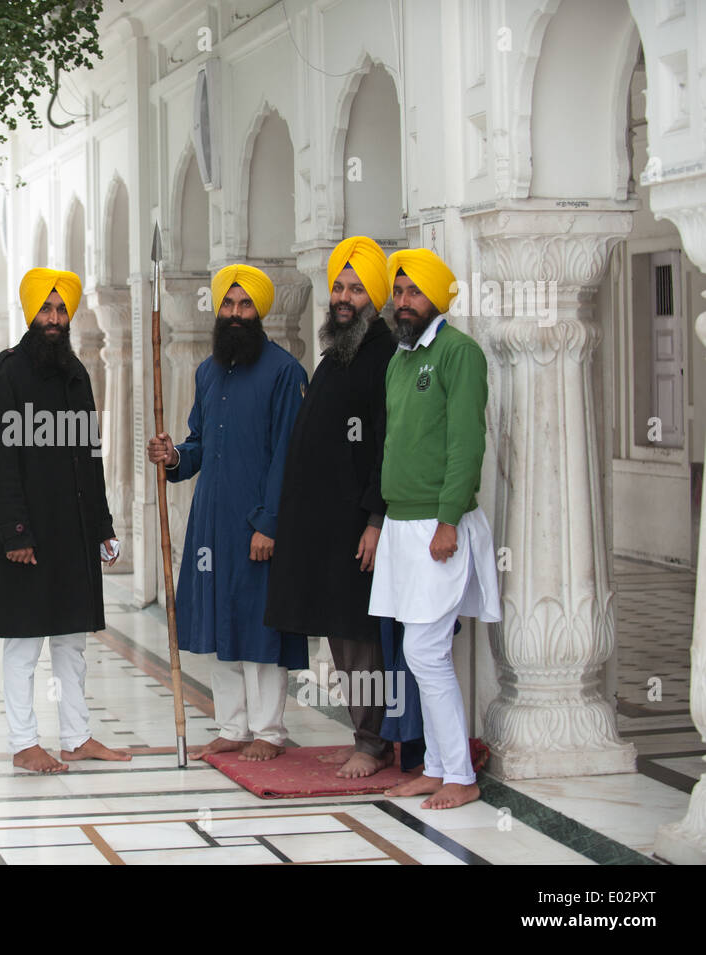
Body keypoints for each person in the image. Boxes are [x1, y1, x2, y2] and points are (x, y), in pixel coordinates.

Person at [265, 236, 423, 778]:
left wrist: (376, 519)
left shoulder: (385, 358)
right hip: (325, 526)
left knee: (360, 637)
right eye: (338, 286)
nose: (343, 296)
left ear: (374, 298)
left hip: (359, 524)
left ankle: (372, 741)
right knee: (339, 630)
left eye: (356, 288)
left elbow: (388, 443)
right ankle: (365, 731)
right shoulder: (338, 355)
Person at [147, 264, 308, 762]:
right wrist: (174, 457)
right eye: (227, 305)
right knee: (221, 627)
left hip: (256, 523)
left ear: (260, 310)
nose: (235, 314)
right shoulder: (207, 371)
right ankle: (233, 726)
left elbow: (289, 455)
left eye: (244, 305)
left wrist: (269, 523)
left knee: (259, 627)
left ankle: (269, 731)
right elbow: (199, 444)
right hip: (211, 524)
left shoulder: (285, 372)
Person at [0, 267, 129, 774]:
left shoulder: (75, 372)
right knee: (24, 641)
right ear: (29, 312)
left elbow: (90, 455)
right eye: (46, 309)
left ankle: (77, 736)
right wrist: (15, 533)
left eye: (62, 310)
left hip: (73, 532)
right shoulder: (4, 375)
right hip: (27, 535)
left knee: (71, 638)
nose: (55, 319)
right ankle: (24, 742)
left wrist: (103, 526)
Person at [370, 248, 502, 810]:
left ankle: (461, 776)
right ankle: (438, 766)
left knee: (426, 651)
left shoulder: (460, 353)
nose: (403, 302)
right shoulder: (400, 358)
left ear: (436, 298)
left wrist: (448, 519)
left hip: (437, 527)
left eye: (413, 293)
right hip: (402, 524)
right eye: (398, 293)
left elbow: (465, 445)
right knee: (418, 649)